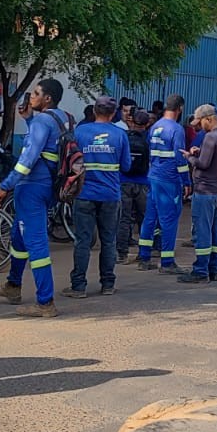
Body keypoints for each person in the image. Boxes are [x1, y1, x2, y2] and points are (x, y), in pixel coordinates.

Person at [0, 78, 72, 318]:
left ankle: (45, 302)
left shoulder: (42, 121)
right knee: (18, 237)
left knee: (36, 244)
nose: (31, 97)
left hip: (32, 188)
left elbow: (28, 159)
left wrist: (5, 186)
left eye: (36, 93)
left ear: (47, 99)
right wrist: (29, 119)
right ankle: (13, 285)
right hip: (48, 187)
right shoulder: (60, 118)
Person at [64, 96, 129, 298]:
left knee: (82, 241)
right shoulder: (120, 135)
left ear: (94, 110)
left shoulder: (80, 132)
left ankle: (78, 287)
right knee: (108, 241)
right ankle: (108, 284)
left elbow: (69, 160)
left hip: (84, 194)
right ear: (113, 113)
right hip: (110, 195)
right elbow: (126, 166)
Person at [137, 94, 192, 272]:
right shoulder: (176, 129)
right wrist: (186, 181)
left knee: (150, 217)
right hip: (169, 178)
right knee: (169, 219)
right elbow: (179, 157)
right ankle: (167, 262)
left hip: (154, 176)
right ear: (180, 108)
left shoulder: (155, 126)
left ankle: (144, 257)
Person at [182, 104, 217, 283]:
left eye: (200, 122)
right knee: (216, 229)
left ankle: (200, 270)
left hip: (205, 190)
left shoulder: (211, 137)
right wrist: (200, 153)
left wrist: (190, 157)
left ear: (209, 119)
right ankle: (214, 268)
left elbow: (204, 164)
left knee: (202, 230)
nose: (198, 127)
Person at [118, 108, 153, 260]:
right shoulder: (149, 138)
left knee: (124, 218)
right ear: (147, 124)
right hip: (143, 182)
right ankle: (143, 255)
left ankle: (122, 254)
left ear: (131, 121)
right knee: (144, 218)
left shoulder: (123, 137)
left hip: (123, 181)